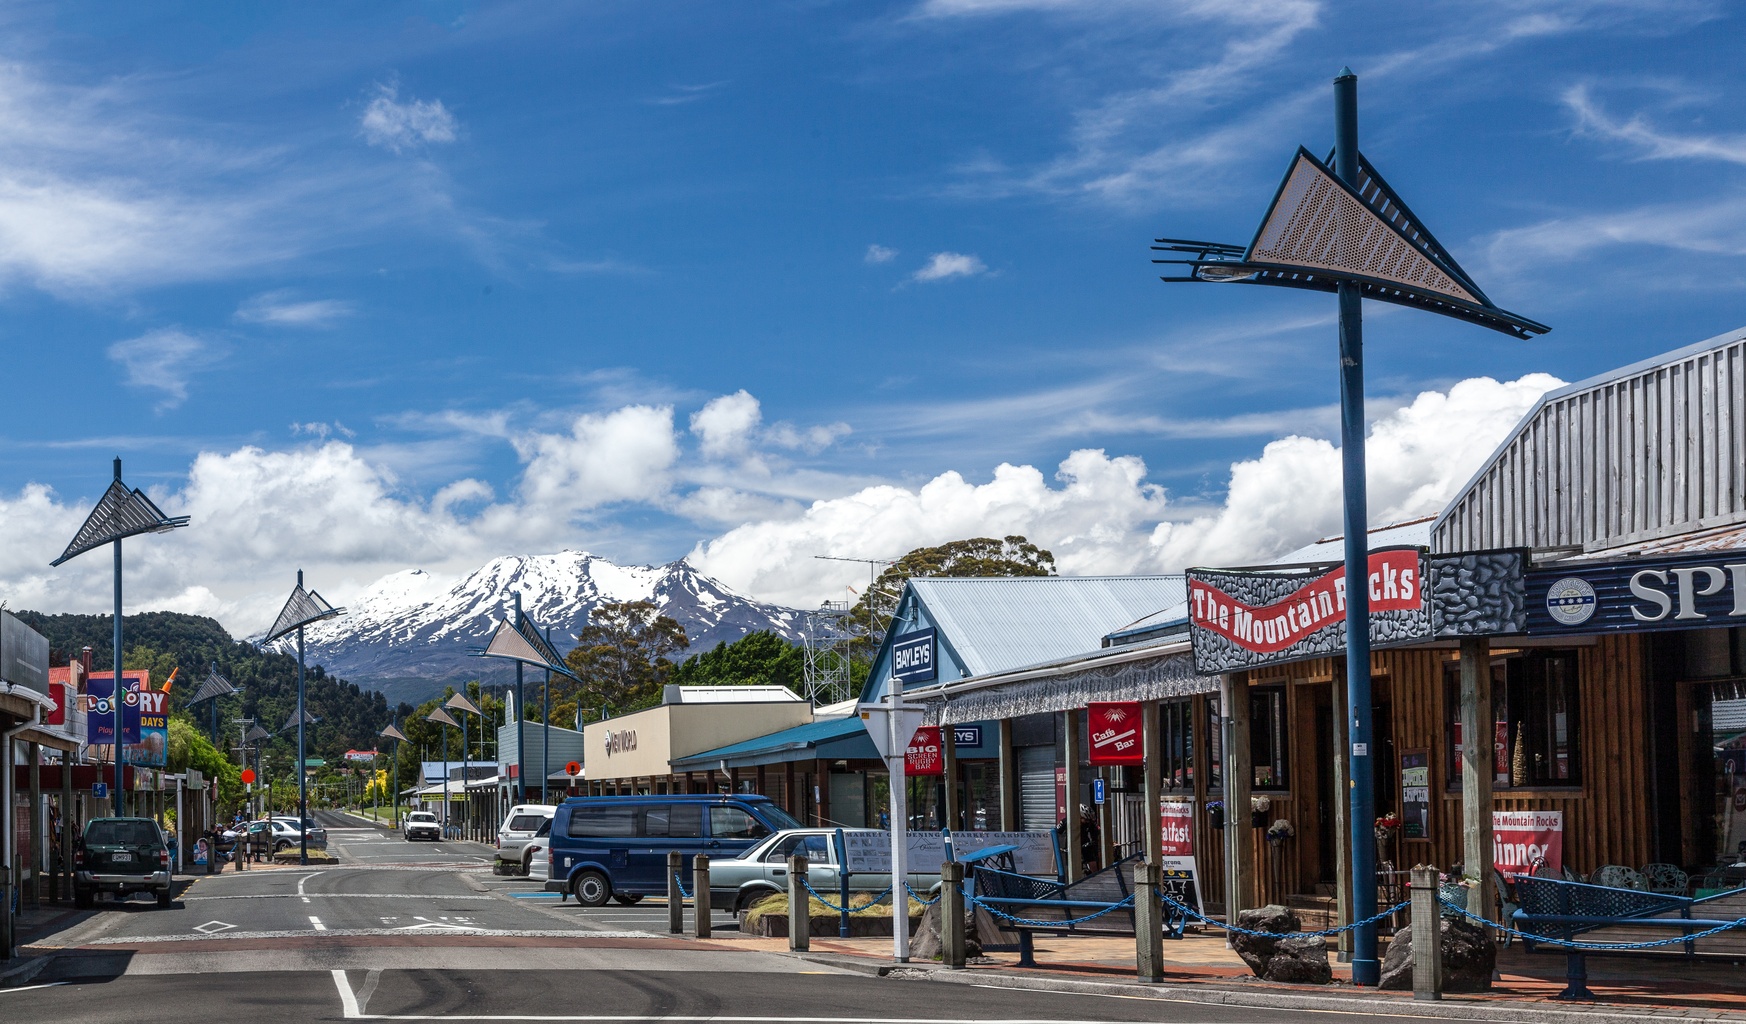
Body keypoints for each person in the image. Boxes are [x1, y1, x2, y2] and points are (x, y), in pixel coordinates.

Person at [1078, 804, 1101, 874]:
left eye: (1088, 820)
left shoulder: (1089, 823)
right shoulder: (1067, 822)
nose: (1087, 822)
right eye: (1085, 820)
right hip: (1071, 847)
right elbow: (1057, 834)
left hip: (1085, 845)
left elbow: (1095, 833)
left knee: (1092, 862)